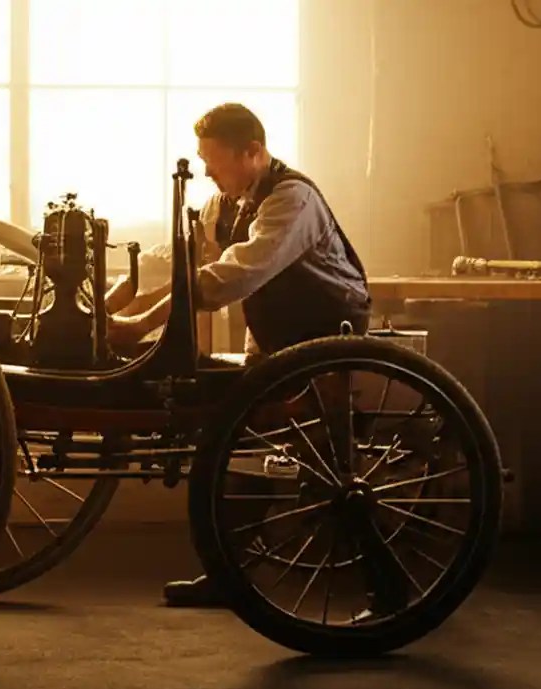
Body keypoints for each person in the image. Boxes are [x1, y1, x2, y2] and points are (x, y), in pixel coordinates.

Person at [105, 102, 372, 607]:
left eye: (213, 159)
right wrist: (119, 292)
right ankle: (230, 572)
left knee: (338, 468)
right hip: (271, 336)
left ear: (252, 152)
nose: (205, 171)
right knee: (241, 444)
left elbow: (235, 273)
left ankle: (378, 577)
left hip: (325, 333)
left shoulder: (292, 199)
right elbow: (180, 261)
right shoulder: (223, 204)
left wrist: (141, 323)